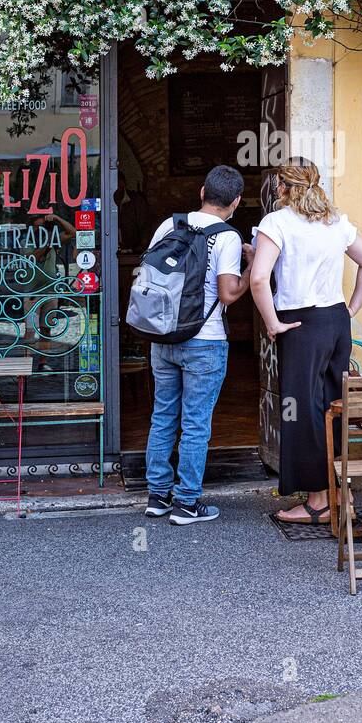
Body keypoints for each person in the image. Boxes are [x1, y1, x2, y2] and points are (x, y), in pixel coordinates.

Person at [249, 157, 362, 525]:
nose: (276, 190)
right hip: (335, 321)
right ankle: (343, 493)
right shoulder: (336, 222)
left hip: (300, 324)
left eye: (278, 184)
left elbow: (259, 279)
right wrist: (350, 309)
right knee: (333, 405)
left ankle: (320, 501)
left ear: (285, 188)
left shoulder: (276, 222)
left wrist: (272, 323)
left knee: (300, 409)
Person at [144, 165, 252, 525]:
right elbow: (228, 293)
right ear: (235, 202)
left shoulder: (168, 225)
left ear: (202, 191)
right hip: (204, 343)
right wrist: (253, 268)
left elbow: (151, 277)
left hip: (164, 337)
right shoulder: (228, 238)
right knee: (195, 424)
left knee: (163, 417)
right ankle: (187, 502)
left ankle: (158, 496)